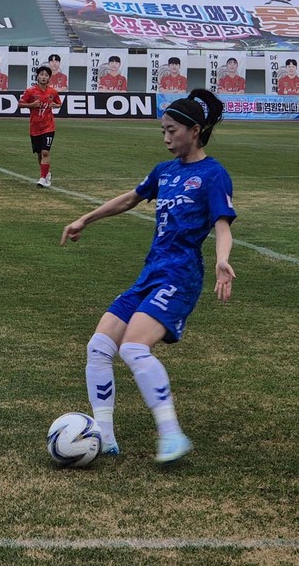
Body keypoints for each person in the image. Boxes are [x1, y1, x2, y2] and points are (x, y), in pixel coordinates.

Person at [61, 89, 235, 464]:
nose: (166, 137)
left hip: (181, 275)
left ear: (195, 130)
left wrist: (222, 260)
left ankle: (172, 434)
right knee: (99, 347)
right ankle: (104, 436)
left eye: (172, 130)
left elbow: (222, 225)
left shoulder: (213, 174)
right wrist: (85, 219)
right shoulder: (164, 171)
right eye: (162, 131)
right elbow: (129, 198)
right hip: (151, 272)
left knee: (134, 347)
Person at [19, 65, 62, 188]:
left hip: (49, 127)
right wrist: (32, 104)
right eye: (41, 75)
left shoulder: (52, 92)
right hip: (35, 128)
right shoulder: (30, 91)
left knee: (45, 152)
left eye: (46, 75)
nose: (43, 77)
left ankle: (42, 178)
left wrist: (55, 105)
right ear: (37, 76)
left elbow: (59, 104)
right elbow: (20, 104)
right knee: (39, 154)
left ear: (49, 78)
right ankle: (46, 174)